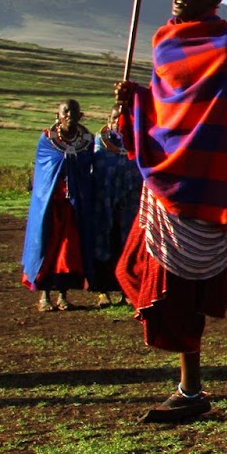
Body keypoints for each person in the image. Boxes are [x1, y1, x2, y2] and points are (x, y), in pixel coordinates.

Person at [113, 0, 227, 423]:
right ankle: (192, 385)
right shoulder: (163, 40)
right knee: (152, 277)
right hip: (165, 175)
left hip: (199, 175)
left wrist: (144, 106)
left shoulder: (223, 45)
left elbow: (200, 109)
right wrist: (135, 100)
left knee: (183, 290)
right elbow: (166, 103)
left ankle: (191, 391)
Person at [22, 99, 95, 312]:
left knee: (69, 250)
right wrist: (66, 160)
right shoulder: (47, 140)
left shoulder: (87, 141)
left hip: (74, 205)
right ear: (58, 115)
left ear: (80, 115)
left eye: (73, 113)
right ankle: (44, 296)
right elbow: (44, 171)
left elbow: (88, 170)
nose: (69, 116)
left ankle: (63, 295)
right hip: (51, 204)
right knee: (48, 246)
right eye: (66, 113)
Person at [90, 106, 142, 306]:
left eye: (123, 120)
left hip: (130, 205)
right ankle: (103, 291)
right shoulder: (99, 145)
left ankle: (127, 289)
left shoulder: (136, 144)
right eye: (114, 119)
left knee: (127, 246)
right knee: (104, 245)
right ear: (108, 119)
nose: (118, 124)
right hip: (104, 204)